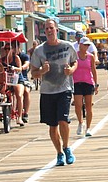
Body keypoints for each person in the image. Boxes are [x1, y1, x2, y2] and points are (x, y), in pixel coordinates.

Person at [30, 19, 79, 165]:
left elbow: (75, 62)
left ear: (56, 30)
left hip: (64, 89)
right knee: (52, 125)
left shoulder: (67, 46)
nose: (49, 31)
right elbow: (33, 73)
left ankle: (67, 147)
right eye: (46, 29)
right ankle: (59, 153)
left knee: (63, 120)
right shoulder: (39, 50)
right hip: (47, 92)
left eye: (51, 28)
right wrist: (42, 71)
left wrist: (71, 70)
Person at [72, 37, 98, 137]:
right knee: (78, 105)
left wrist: (96, 84)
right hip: (77, 82)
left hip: (88, 82)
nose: (87, 47)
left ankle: (88, 128)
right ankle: (80, 122)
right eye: (85, 45)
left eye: (88, 45)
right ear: (80, 45)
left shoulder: (90, 56)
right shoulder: (74, 56)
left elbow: (94, 70)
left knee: (88, 106)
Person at [0, 43, 26, 125]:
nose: (7, 50)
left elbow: (20, 69)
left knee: (19, 95)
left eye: (9, 48)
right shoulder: (2, 60)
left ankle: (20, 117)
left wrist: (14, 68)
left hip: (17, 79)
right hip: (6, 80)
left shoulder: (16, 58)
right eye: (6, 49)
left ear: (12, 49)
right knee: (2, 92)